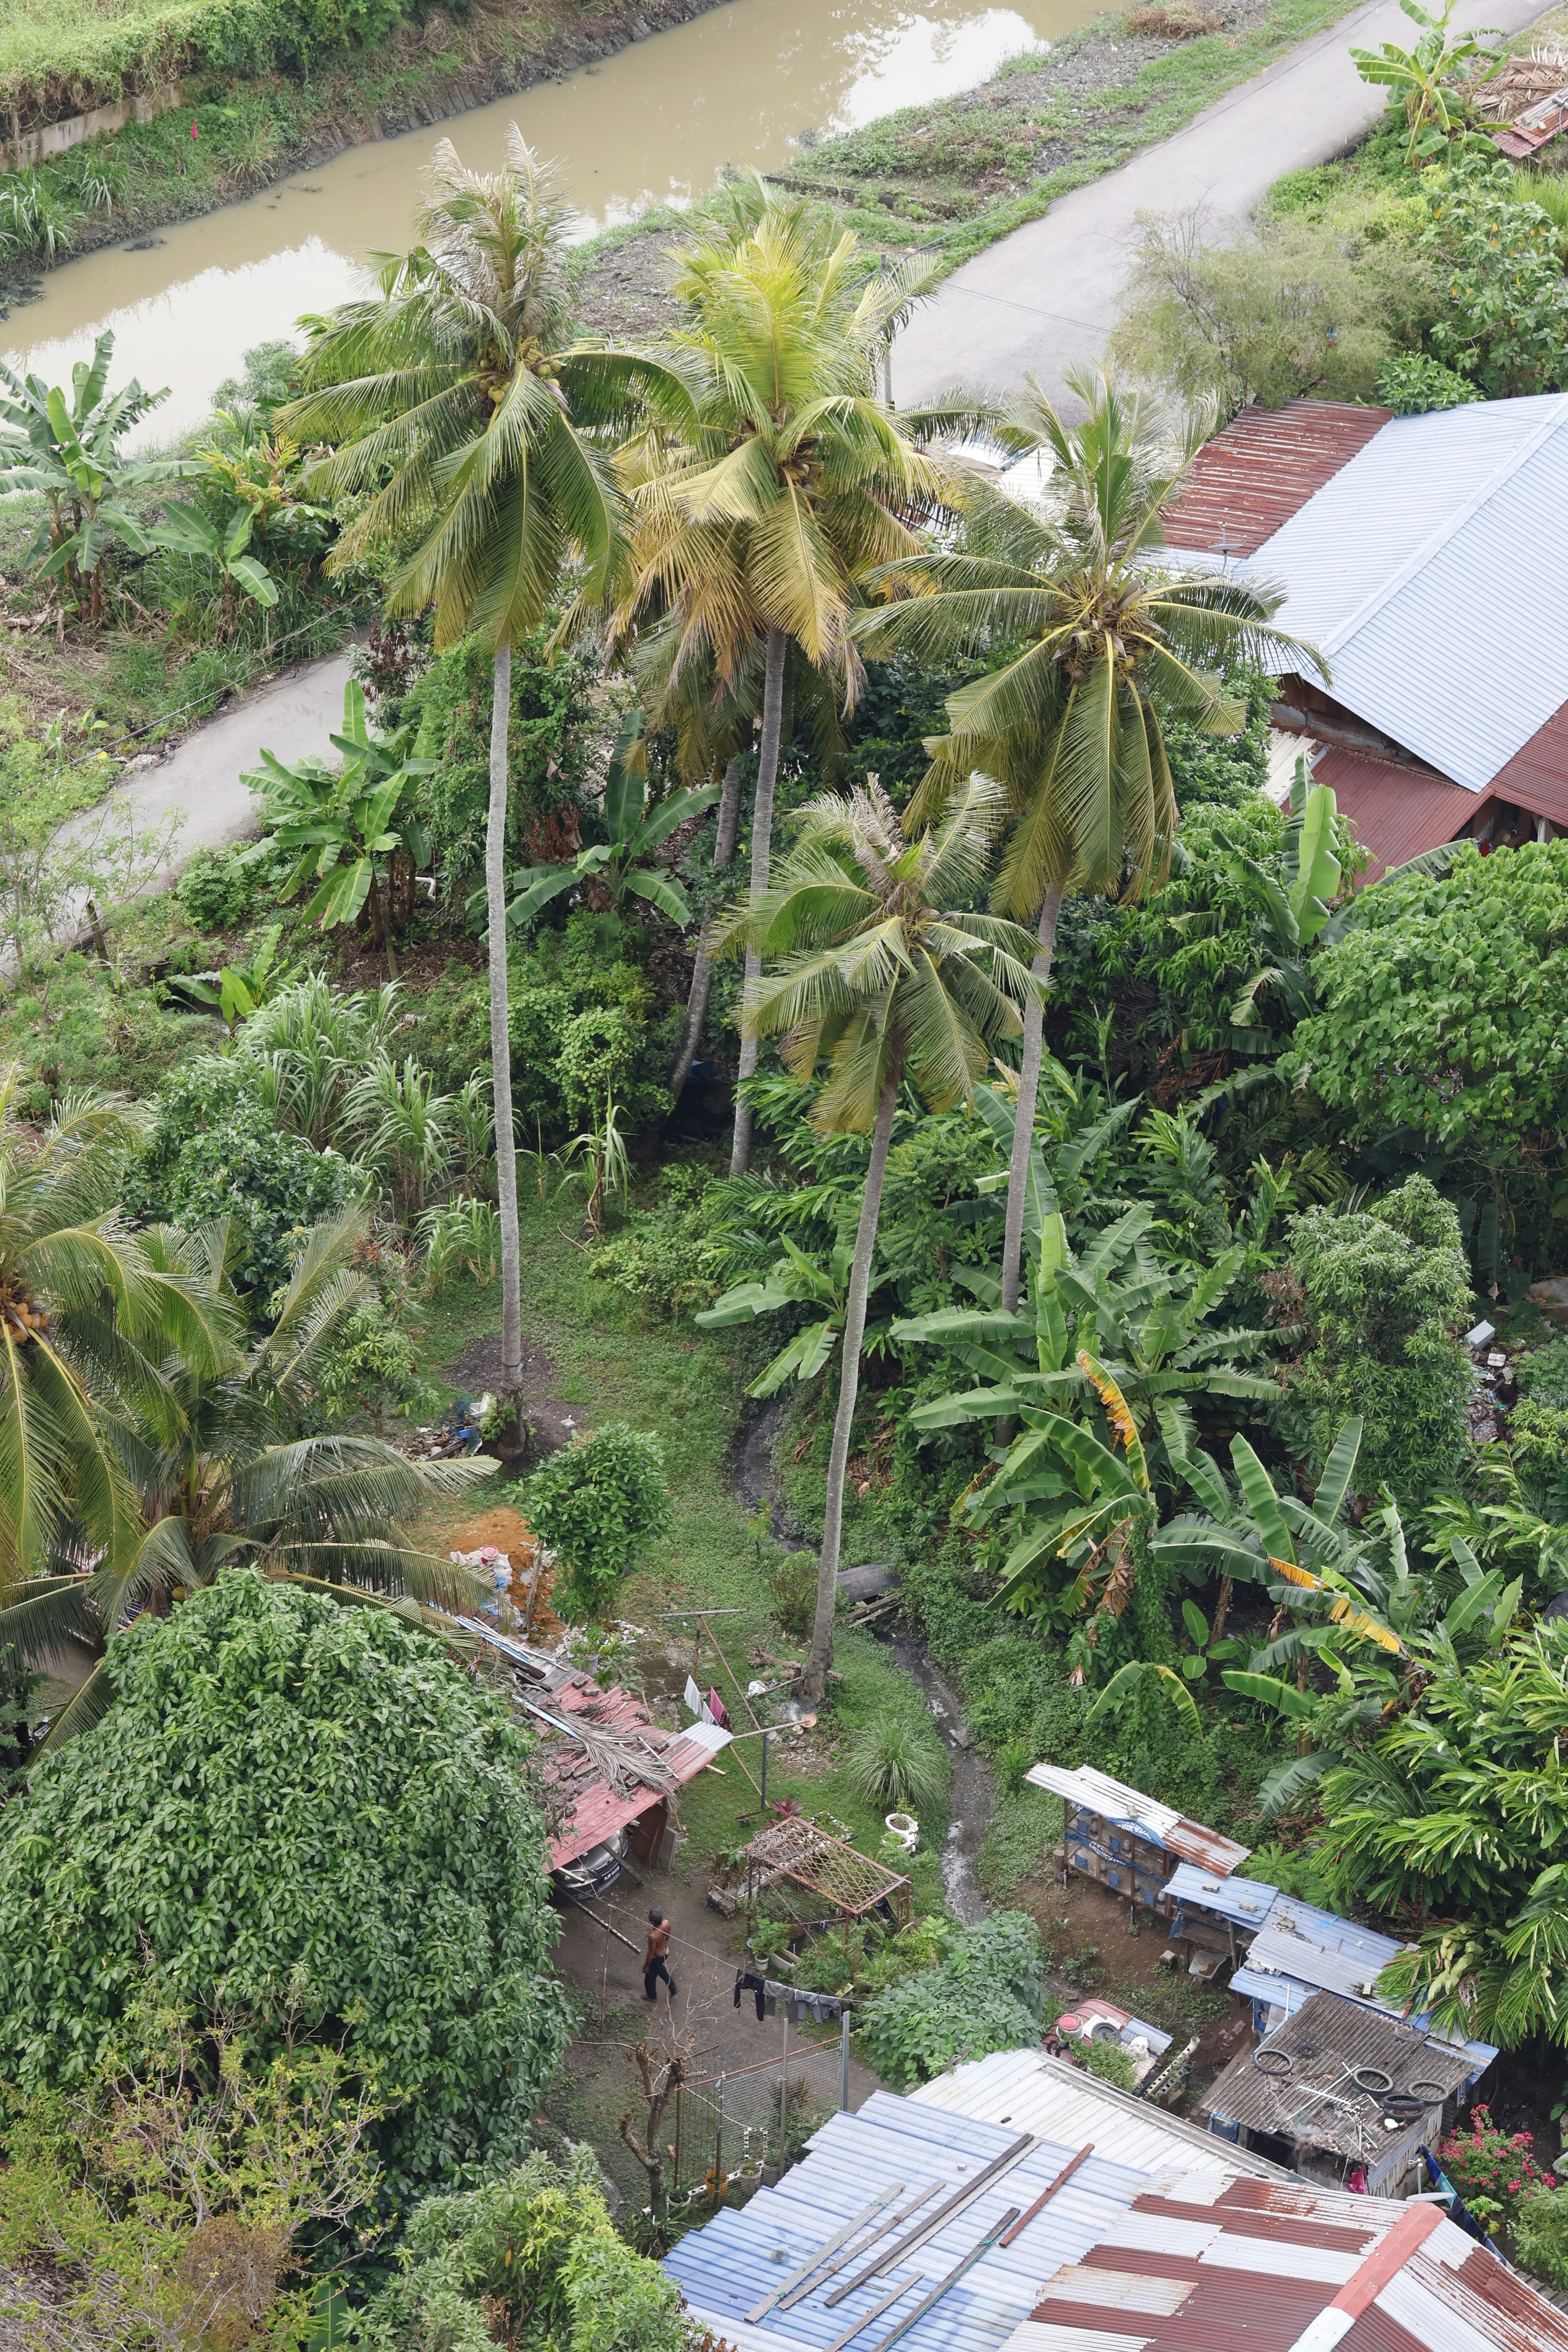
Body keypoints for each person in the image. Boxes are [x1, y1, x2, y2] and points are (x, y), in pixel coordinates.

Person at [642, 1908, 678, 2004]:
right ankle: (673, 1987)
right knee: (660, 1969)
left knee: (650, 1977)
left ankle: (652, 1997)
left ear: (653, 1921)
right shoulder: (667, 1923)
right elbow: (668, 1936)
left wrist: (646, 1966)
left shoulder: (653, 1936)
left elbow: (651, 1953)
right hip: (665, 1952)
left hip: (657, 1957)